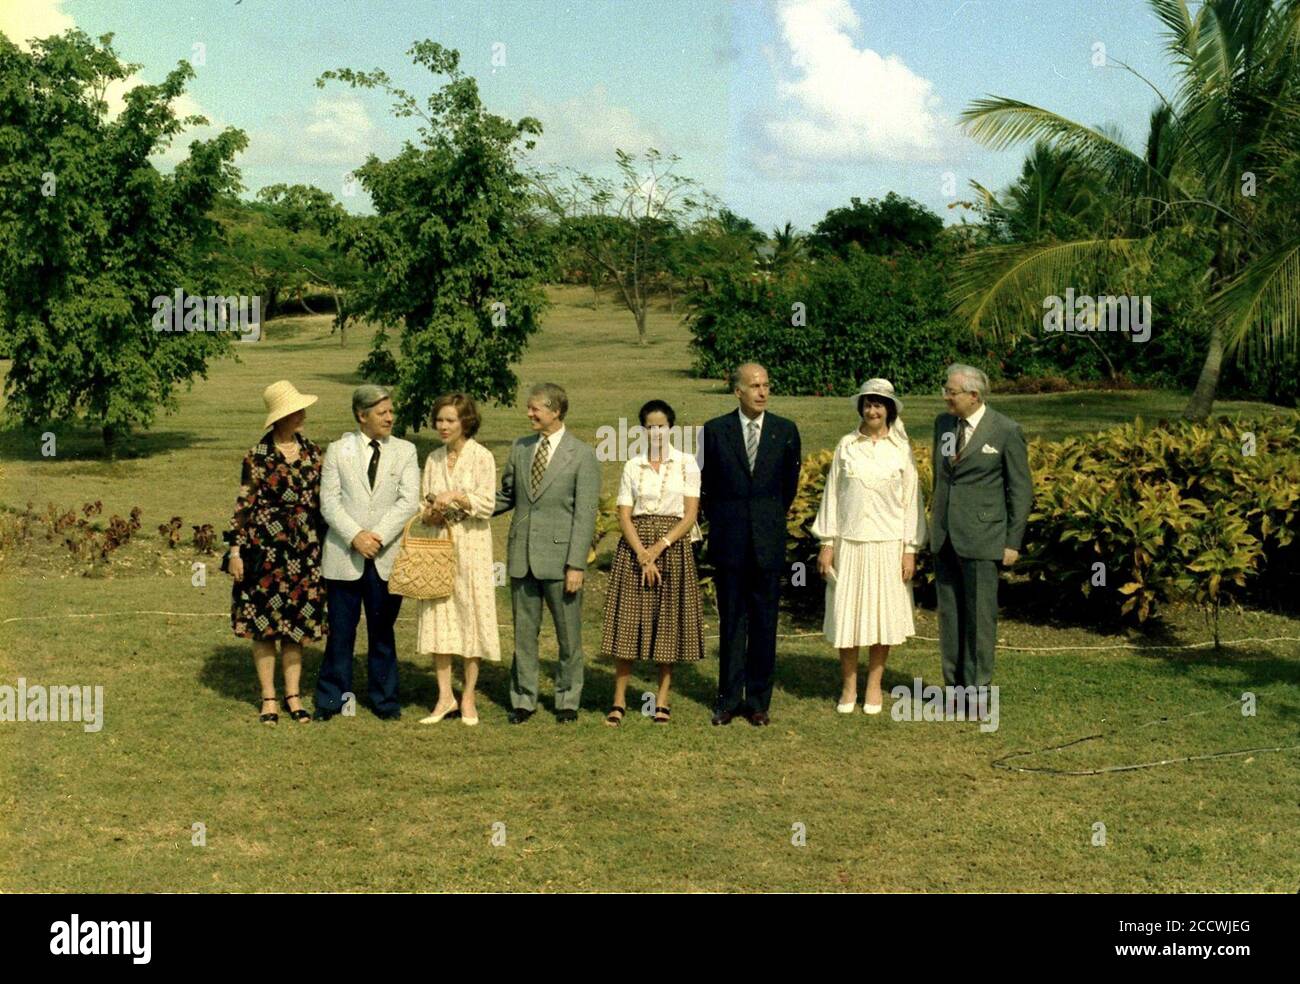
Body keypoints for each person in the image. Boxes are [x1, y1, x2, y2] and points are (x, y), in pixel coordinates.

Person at [812, 379, 925, 715]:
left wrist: (910, 549)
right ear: (861, 408)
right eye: (867, 404)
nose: (873, 410)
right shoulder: (846, 445)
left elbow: (911, 503)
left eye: (879, 405)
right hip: (850, 543)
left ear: (889, 409)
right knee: (848, 617)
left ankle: (874, 686)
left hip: (888, 546)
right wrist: (827, 543)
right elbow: (832, 494)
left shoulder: (900, 450)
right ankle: (849, 686)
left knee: (881, 619)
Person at [700, 362, 801, 726]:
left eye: (766, 385)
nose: (762, 392)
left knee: (764, 622)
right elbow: (706, 486)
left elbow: (787, 487)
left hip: (767, 543)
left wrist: (765, 519)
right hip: (730, 543)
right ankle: (728, 700)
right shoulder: (714, 431)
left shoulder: (785, 431)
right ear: (737, 391)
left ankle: (758, 701)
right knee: (732, 622)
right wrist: (729, 522)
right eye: (754, 386)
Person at [493, 383, 600, 724]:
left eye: (535, 408)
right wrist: (468, 505)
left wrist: (575, 565)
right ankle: (523, 699)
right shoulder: (520, 447)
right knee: (524, 634)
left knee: (569, 636)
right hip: (522, 558)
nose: (529, 413)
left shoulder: (582, 454)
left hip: (561, 562)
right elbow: (506, 496)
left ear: (555, 411)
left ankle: (568, 700)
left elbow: (585, 515)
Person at [313, 384, 421, 721]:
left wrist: (378, 537)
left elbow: (408, 501)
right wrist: (356, 536)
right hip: (344, 556)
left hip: (385, 557)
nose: (390, 418)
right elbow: (328, 502)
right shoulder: (337, 450)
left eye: (391, 411)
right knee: (340, 635)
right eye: (382, 413)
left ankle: (384, 701)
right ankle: (334, 701)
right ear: (362, 416)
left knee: (382, 633)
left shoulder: (405, 451)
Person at [930, 363, 1032, 714]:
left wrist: (1012, 542)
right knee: (951, 618)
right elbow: (943, 478)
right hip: (944, 537)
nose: (946, 397)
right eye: (946, 390)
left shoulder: (1005, 430)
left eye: (951, 392)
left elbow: (1020, 490)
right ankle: (953, 690)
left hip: (983, 537)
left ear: (974, 395)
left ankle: (977, 693)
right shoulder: (943, 425)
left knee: (980, 619)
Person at [599, 400, 705, 726]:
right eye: (649, 426)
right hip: (635, 549)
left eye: (661, 426)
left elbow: (690, 516)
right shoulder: (634, 465)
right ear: (642, 430)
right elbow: (624, 515)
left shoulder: (686, 463)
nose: (655, 432)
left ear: (670, 428)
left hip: (672, 547)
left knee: (667, 624)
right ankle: (618, 702)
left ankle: (661, 702)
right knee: (628, 624)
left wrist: (658, 548)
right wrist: (643, 554)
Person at [227, 380, 328, 725]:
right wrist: (236, 551)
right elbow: (243, 505)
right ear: (279, 417)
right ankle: (269, 698)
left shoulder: (314, 453)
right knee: (264, 627)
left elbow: (323, 502)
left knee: (296, 627)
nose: (301, 415)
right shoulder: (256, 457)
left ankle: (294, 697)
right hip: (264, 554)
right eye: (294, 410)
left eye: (301, 409)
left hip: (305, 551)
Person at [415, 393, 501, 726]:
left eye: (450, 420)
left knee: (472, 614)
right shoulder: (433, 458)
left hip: (473, 546)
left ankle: (468, 698)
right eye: (439, 420)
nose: (443, 426)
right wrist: (432, 512)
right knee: (440, 615)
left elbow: (486, 504)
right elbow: (423, 505)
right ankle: (444, 697)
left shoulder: (482, 456)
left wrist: (455, 497)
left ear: (465, 421)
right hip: (440, 545)